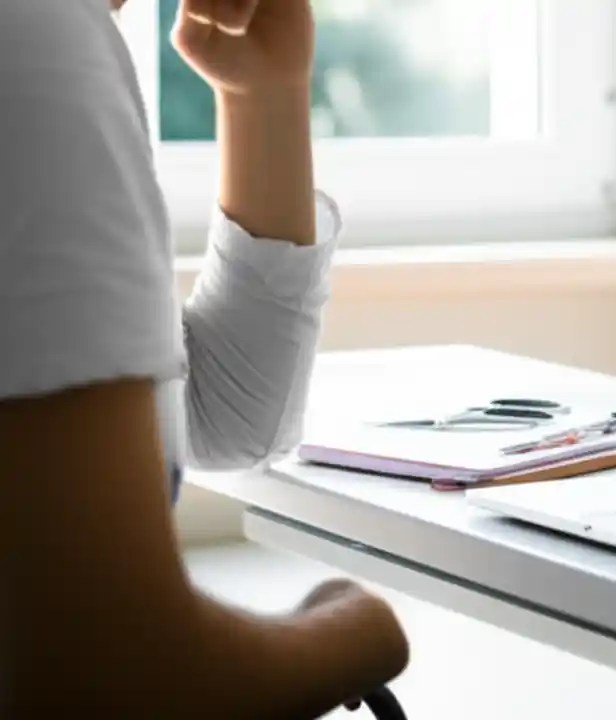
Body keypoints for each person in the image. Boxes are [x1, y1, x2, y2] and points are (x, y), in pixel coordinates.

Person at [0, 0, 410, 716]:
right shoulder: (37, 35)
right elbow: (117, 675)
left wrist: (263, 97)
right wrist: (366, 629)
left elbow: (217, 420)